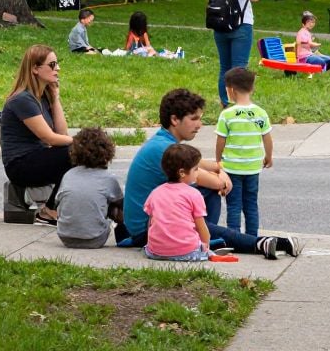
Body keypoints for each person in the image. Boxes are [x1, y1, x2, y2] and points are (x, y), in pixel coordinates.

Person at [123, 88, 299, 259]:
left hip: (160, 219)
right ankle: (259, 243)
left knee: (207, 198)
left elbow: (204, 165)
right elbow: (215, 182)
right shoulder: (163, 148)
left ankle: (207, 236)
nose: (200, 125)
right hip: (148, 230)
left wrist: (219, 170)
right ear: (175, 119)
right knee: (211, 200)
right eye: (194, 119)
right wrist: (220, 177)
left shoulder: (165, 142)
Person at [0, 45, 73, 225]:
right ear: (35, 68)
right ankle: (49, 211)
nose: (58, 68)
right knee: (75, 152)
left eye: (57, 64)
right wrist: (83, 143)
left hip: (36, 157)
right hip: (20, 165)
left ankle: (62, 208)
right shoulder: (22, 99)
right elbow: (49, 138)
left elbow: (61, 133)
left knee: (77, 152)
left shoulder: (42, 97)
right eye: (52, 64)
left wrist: (55, 98)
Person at [215, 67, 273, 236]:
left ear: (230, 90)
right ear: (252, 88)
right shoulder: (260, 113)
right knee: (251, 204)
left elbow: (220, 140)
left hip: (232, 167)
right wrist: (268, 156)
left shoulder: (227, 115)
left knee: (234, 205)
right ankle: (252, 237)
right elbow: (267, 138)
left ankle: (235, 237)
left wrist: (219, 161)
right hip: (253, 167)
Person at [209, 0, 261, 107]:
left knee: (224, 67)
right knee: (239, 68)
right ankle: (241, 104)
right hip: (241, 24)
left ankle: (225, 103)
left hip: (220, 24)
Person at [56, 127, 129, 249]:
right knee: (115, 206)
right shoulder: (108, 178)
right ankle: (124, 236)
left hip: (65, 237)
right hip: (95, 239)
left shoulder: (68, 175)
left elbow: (57, 202)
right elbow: (122, 203)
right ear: (107, 152)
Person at [143, 144, 213, 261]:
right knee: (203, 250)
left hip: (155, 252)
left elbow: (150, 223)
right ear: (182, 173)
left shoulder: (155, 193)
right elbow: (201, 227)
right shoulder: (194, 194)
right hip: (187, 252)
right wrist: (206, 247)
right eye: (195, 169)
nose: (197, 172)